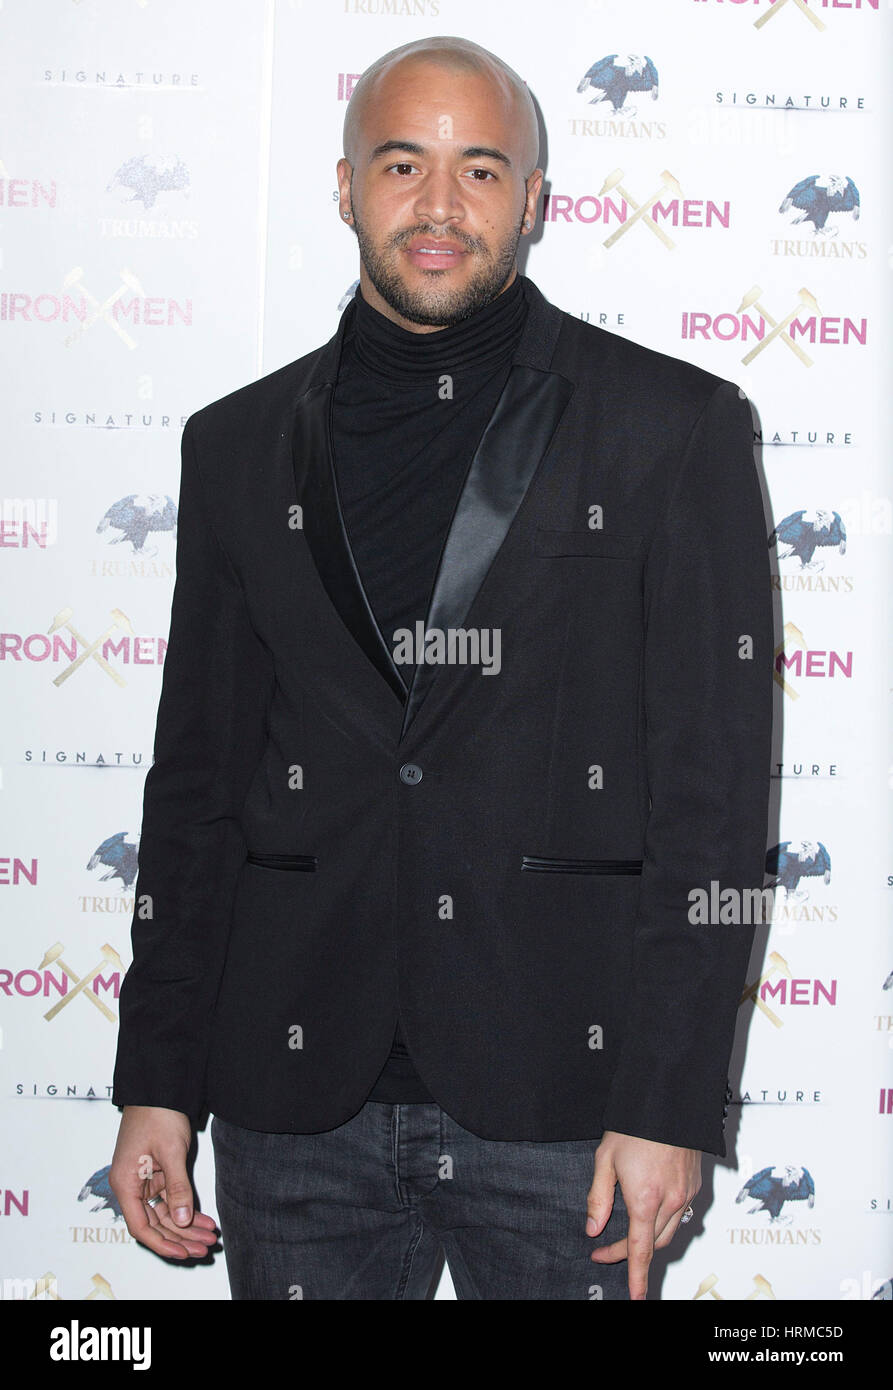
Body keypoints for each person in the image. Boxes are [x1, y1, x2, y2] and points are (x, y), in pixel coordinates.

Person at [109, 34, 773, 1301]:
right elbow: (193, 787)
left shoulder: (669, 428)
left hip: (566, 1111)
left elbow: (713, 802)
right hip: (291, 1109)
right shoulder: (236, 446)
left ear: (533, 199)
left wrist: (671, 1099)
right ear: (345, 185)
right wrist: (158, 1079)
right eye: (403, 162)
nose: (436, 203)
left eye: (479, 170)